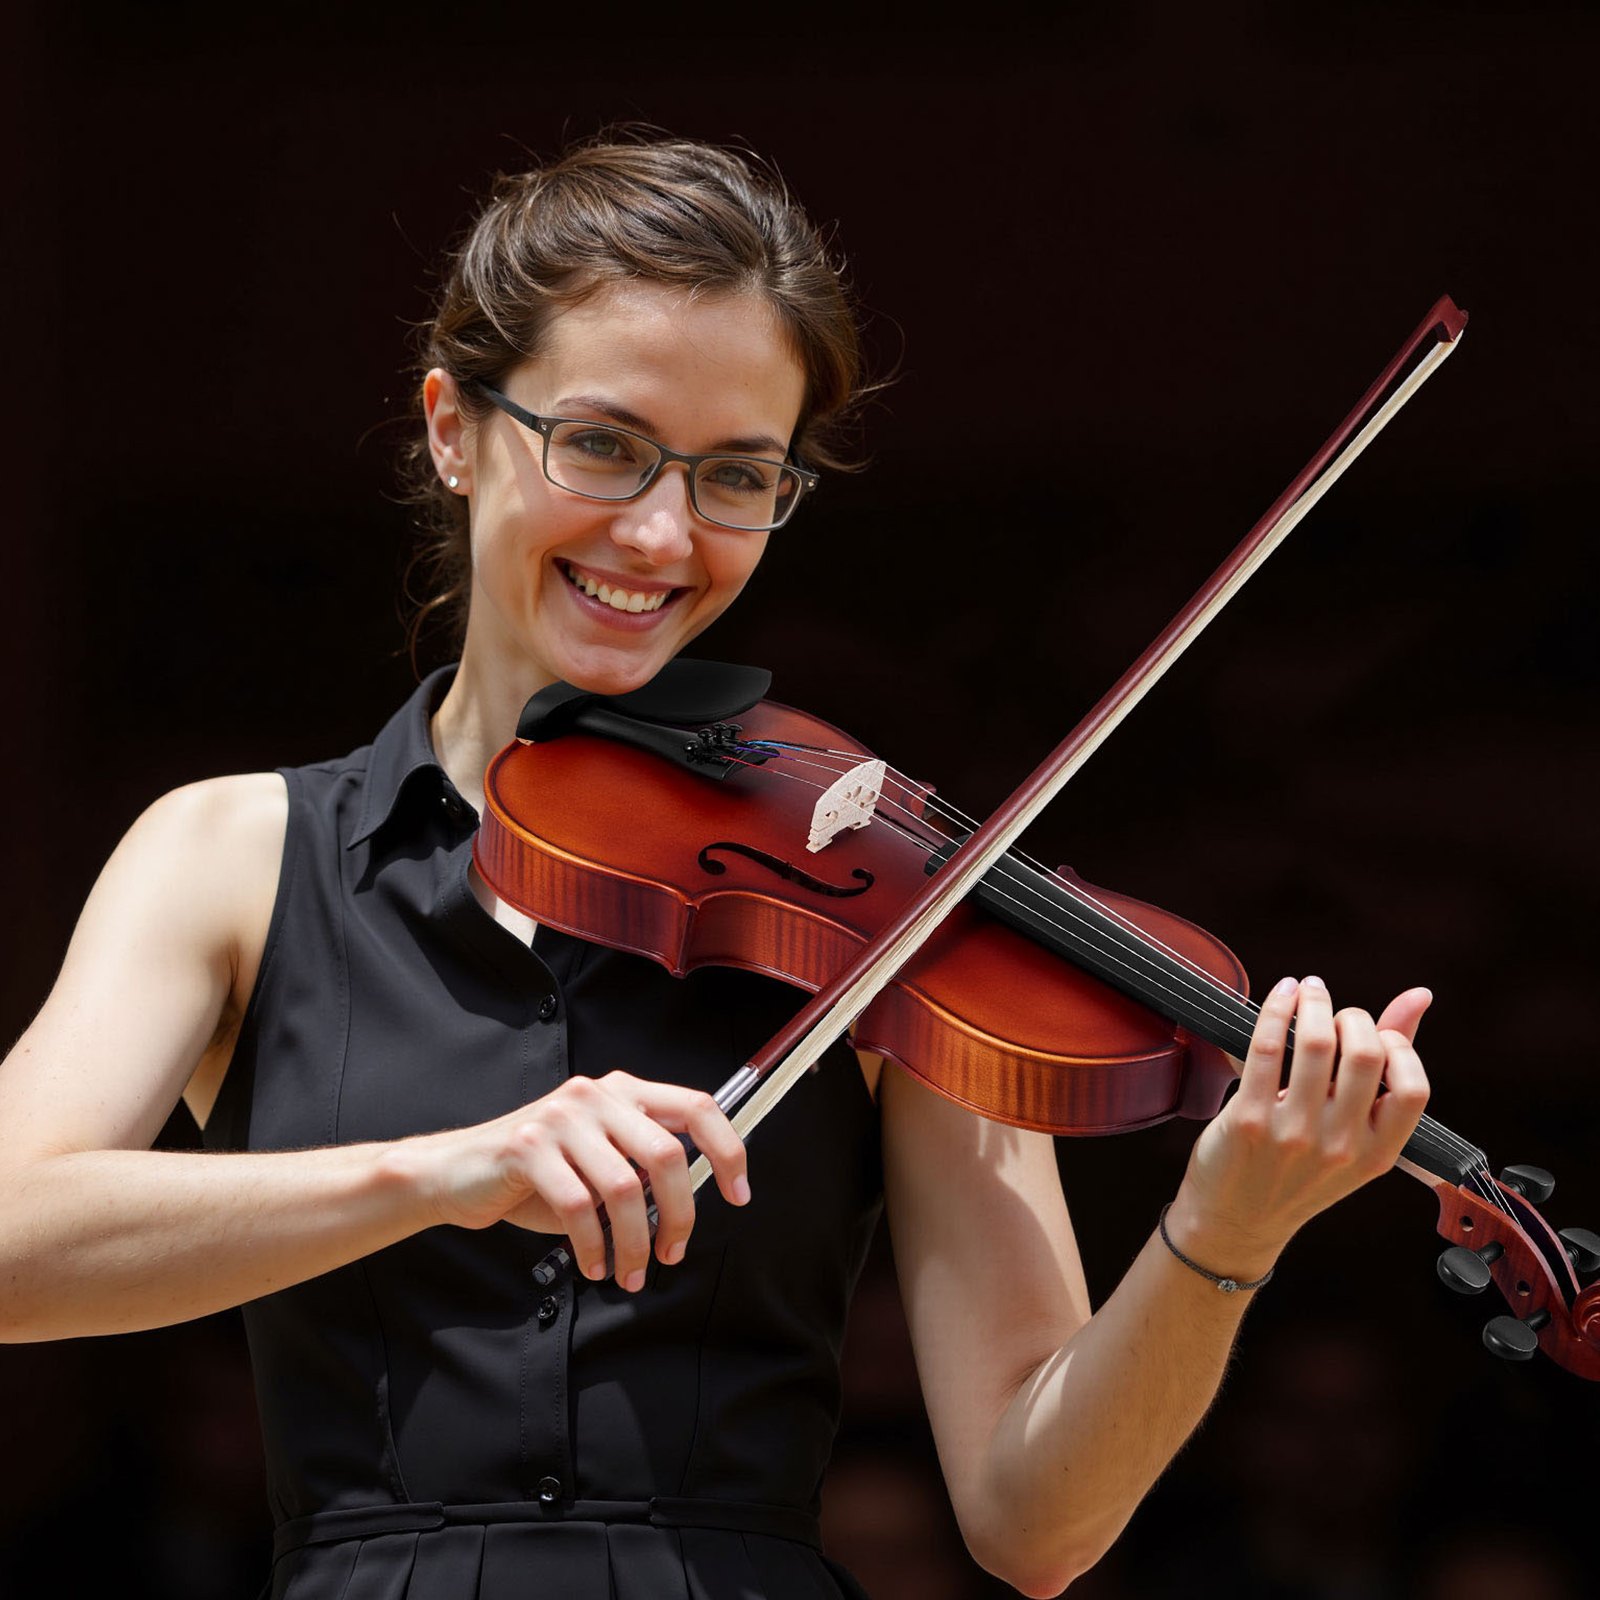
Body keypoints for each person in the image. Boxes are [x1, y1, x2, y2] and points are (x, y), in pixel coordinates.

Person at [0, 134, 1430, 1599]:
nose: (665, 534)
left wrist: (1222, 1233)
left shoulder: (890, 909)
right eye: (605, 444)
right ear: (454, 427)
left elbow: (1034, 1517)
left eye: (738, 475)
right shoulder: (235, 857)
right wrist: (444, 1173)